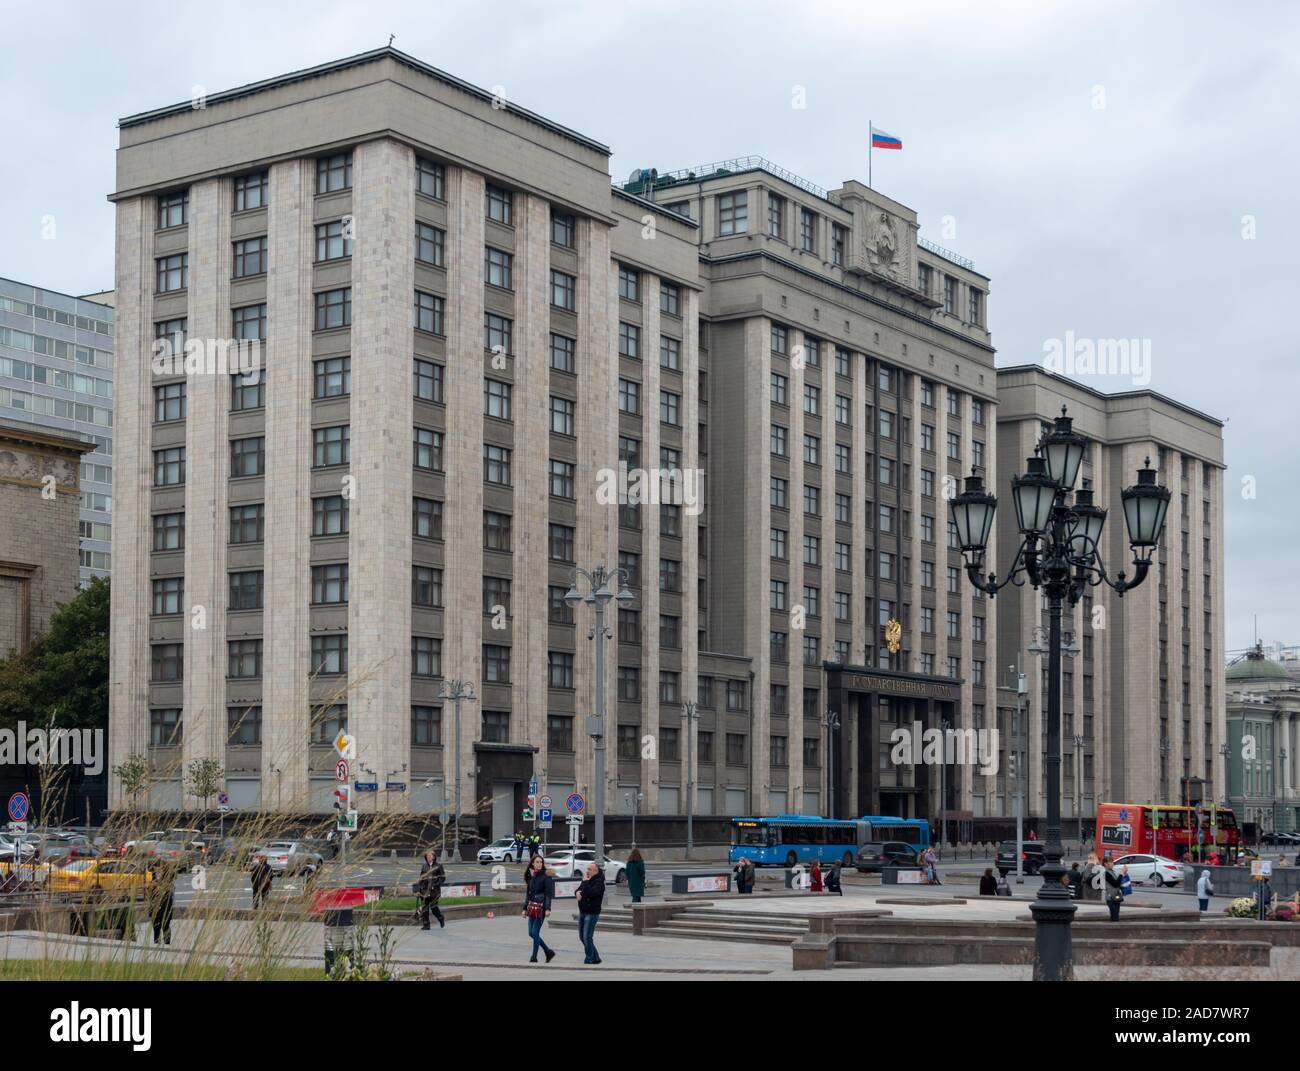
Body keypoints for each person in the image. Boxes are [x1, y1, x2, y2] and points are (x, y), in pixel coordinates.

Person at [523, 854, 556, 963]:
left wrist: (548, 908)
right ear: (532, 863)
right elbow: (528, 895)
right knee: (530, 933)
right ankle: (548, 952)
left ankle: (534, 957)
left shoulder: (546, 876)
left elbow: (548, 894)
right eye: (537, 862)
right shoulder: (532, 877)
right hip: (532, 908)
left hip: (540, 908)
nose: (539, 864)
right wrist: (524, 909)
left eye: (541, 862)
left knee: (535, 932)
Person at [575, 861, 605, 964]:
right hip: (582, 911)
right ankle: (596, 957)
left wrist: (584, 886)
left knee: (587, 937)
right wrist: (577, 893)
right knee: (582, 937)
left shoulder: (599, 882)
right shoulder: (586, 880)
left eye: (590, 869)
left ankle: (589, 959)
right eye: (587, 869)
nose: (587, 871)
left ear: (596, 871)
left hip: (592, 913)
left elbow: (591, 893)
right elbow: (579, 890)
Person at [147, 862, 176, 945]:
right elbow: (150, 894)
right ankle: (156, 944)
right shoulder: (152, 877)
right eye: (156, 868)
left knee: (165, 927)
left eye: (160, 868)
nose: (158, 870)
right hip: (154, 908)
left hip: (166, 907)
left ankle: (167, 945)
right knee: (156, 929)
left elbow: (169, 888)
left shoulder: (168, 877)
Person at [417, 850, 446, 930]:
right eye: (427, 856)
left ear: (434, 857)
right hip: (424, 891)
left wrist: (436, 884)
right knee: (424, 908)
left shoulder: (439, 866)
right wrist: (419, 889)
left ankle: (440, 918)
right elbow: (421, 879)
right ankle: (426, 925)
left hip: (434, 891)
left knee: (433, 907)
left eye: (430, 856)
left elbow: (443, 878)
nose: (428, 857)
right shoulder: (424, 866)